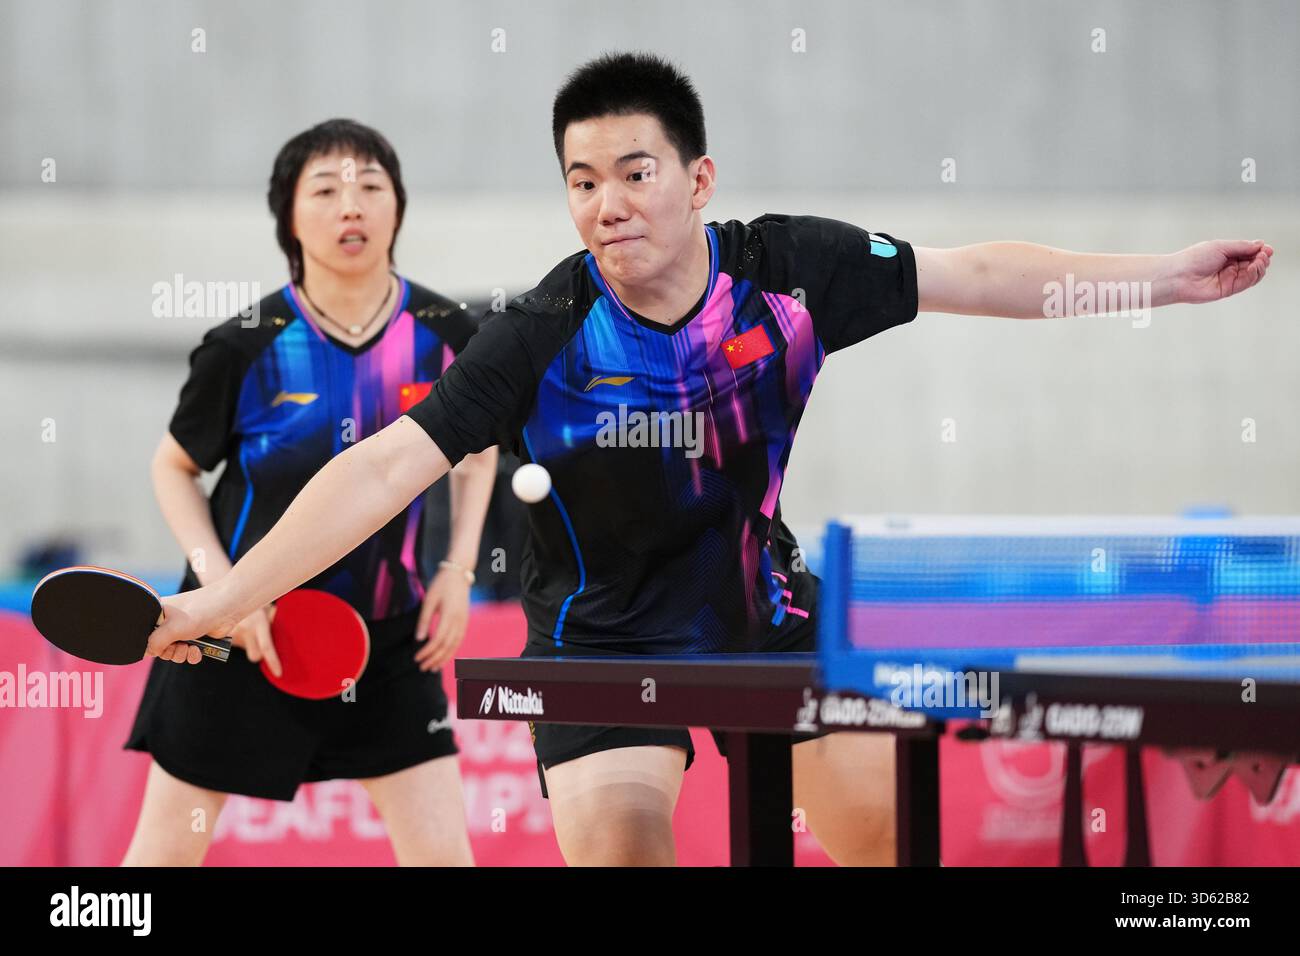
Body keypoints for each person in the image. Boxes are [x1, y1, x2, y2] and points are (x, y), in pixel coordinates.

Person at [144, 56, 1272, 866]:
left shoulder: (788, 272)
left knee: (888, 842)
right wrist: (230, 594)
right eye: (581, 180)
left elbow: (972, 271)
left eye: (634, 172)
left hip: (765, 616)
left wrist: (1164, 276)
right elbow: (390, 466)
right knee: (629, 857)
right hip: (597, 648)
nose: (607, 204)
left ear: (699, 178)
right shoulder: (544, 324)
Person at [123, 119, 497, 866]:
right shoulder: (246, 343)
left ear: (398, 206)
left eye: (370, 187)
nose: (350, 206)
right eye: (324, 190)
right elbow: (174, 468)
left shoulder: (448, 330)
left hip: (390, 640)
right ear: (289, 218)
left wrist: (457, 571)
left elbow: (477, 452)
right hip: (237, 637)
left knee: (444, 858)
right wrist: (224, 590)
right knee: (160, 858)